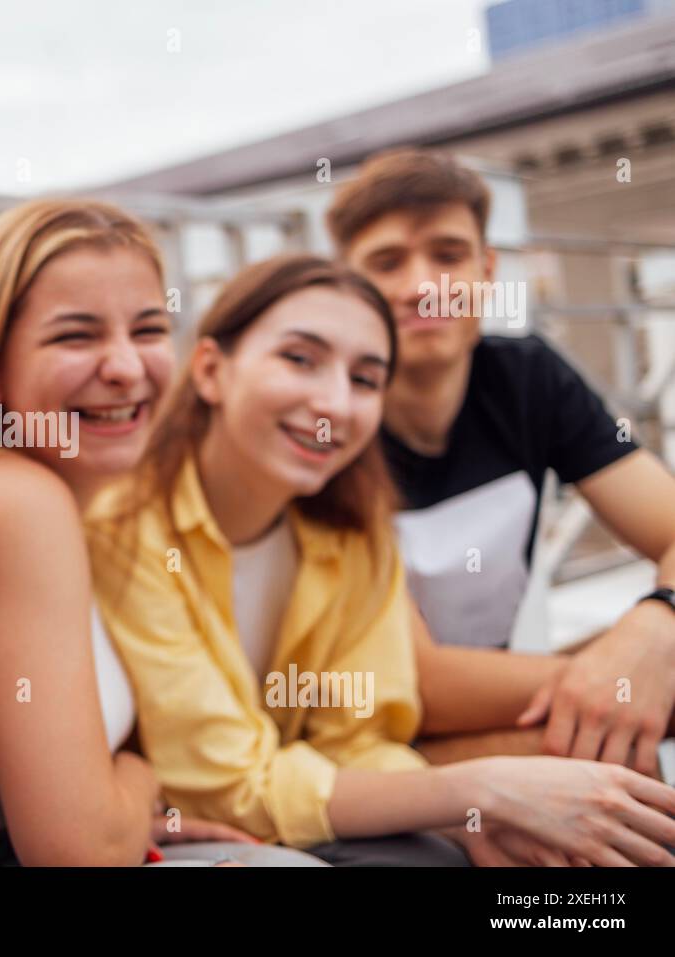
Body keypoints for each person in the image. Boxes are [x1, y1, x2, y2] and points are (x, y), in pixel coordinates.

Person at [86, 253, 675, 866]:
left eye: (365, 380)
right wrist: (475, 792)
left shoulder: (354, 531)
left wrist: (467, 823)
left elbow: (361, 736)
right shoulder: (124, 529)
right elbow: (224, 783)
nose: (334, 405)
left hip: (303, 806)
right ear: (209, 369)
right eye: (299, 359)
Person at [0, 199, 323, 866]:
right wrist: (139, 783)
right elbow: (81, 853)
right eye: (77, 335)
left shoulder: (73, 499)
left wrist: (127, 809)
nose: (126, 367)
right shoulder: (8, 503)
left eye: (150, 329)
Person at [328, 149, 675, 774]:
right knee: (612, 746)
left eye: (448, 255)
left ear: (487, 271)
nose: (421, 286)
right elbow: (418, 682)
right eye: (387, 263)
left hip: (500, 701)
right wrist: (610, 684)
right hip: (370, 742)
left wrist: (656, 628)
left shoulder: (525, 377)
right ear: (346, 288)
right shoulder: (325, 421)